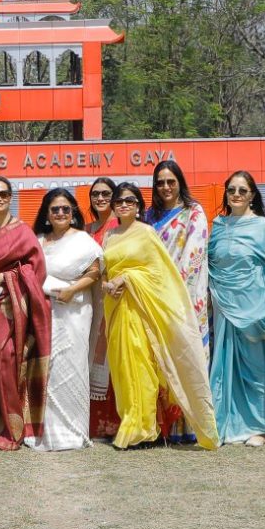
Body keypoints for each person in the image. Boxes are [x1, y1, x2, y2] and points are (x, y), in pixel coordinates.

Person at [100, 183, 217, 449]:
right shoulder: (110, 236)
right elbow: (105, 270)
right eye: (119, 201)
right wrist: (107, 284)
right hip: (117, 308)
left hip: (141, 309)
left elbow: (159, 273)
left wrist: (128, 278)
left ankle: (145, 429)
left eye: (130, 200)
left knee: (141, 366)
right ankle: (130, 422)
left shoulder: (147, 233)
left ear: (139, 206)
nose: (124, 205)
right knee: (122, 368)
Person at [0, 176, 51, 450]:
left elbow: (36, 269)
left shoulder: (23, 231)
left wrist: (5, 277)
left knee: (7, 360)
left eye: (3, 193)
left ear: (10, 196)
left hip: (14, 307)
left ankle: (13, 428)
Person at [208, 170, 265, 446]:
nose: (236, 195)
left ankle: (259, 427)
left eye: (242, 191)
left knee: (258, 368)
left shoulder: (264, 226)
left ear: (252, 196)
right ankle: (224, 425)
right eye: (231, 190)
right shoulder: (218, 224)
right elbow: (210, 263)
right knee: (225, 368)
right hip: (224, 306)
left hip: (255, 308)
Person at [146, 159, 210, 443]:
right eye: (160, 182)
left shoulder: (193, 213)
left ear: (180, 182)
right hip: (154, 299)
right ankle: (165, 426)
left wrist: (173, 293)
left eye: (171, 181)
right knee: (160, 360)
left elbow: (193, 258)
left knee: (188, 359)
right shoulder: (148, 217)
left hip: (185, 299)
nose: (166, 187)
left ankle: (191, 426)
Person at [35, 187, 101, 451]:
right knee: (47, 370)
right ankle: (48, 433)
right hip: (45, 313)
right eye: (55, 209)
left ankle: (73, 432)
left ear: (73, 212)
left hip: (74, 311)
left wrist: (72, 290)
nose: (60, 213)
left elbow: (94, 271)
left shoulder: (83, 240)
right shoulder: (38, 240)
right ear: (47, 214)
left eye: (65, 208)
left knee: (72, 367)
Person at [82, 176, 120, 439]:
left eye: (106, 193)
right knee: (91, 354)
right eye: (95, 194)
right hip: (91, 301)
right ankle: (93, 423)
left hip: (116, 298)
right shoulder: (86, 229)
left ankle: (116, 423)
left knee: (114, 357)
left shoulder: (121, 226)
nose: (100, 198)